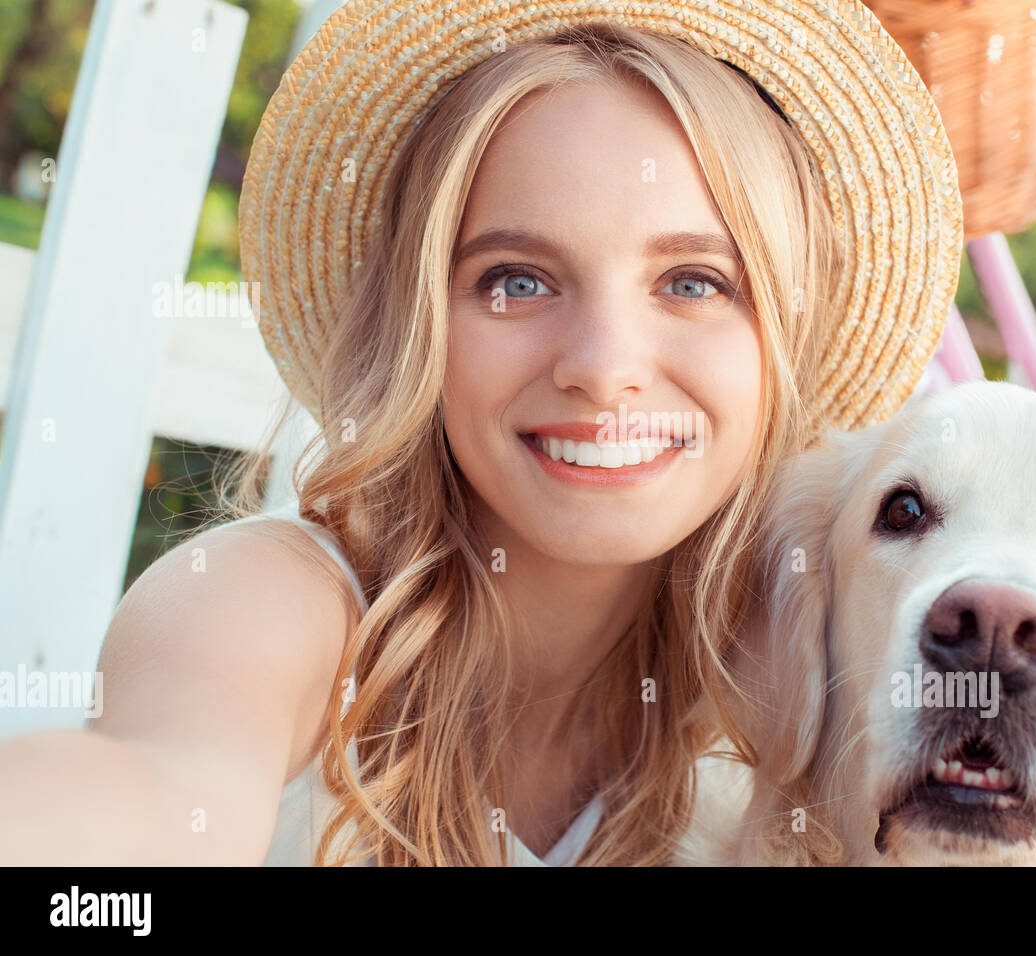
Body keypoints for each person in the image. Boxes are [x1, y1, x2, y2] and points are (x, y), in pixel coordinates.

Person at [0, 0, 961, 865]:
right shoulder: (281, 605)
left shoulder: (790, 675)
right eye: (517, 280)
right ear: (423, 325)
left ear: (779, 342)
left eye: (693, 283)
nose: (602, 364)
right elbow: (163, 792)